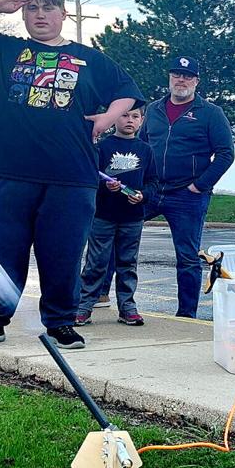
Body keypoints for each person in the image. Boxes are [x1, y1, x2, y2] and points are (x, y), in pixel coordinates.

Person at [0, 0, 141, 350]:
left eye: (49, 8)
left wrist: (105, 120)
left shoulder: (89, 59)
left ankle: (61, 323)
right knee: (0, 251)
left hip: (71, 176)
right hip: (8, 172)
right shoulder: (5, 50)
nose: (40, 15)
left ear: (63, 14)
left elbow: (127, 90)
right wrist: (0, 4)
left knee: (62, 254)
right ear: (23, 14)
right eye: (32, 8)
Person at [141, 54, 233, 318]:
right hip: (152, 190)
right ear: (170, 77)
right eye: (176, 75)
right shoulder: (153, 110)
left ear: (196, 81)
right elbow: (142, 146)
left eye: (188, 76)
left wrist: (199, 186)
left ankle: (187, 315)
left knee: (187, 257)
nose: (181, 80)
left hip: (187, 195)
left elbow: (225, 153)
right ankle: (105, 296)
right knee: (119, 235)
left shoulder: (211, 113)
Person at [74, 104, 156, 327]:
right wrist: (105, 187)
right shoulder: (102, 147)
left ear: (141, 120)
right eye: (124, 115)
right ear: (114, 119)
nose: (129, 120)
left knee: (128, 263)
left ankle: (127, 307)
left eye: (135, 116)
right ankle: (83, 307)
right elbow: (90, 179)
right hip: (103, 216)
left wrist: (143, 196)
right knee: (96, 263)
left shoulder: (146, 150)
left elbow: (153, 182)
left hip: (132, 217)